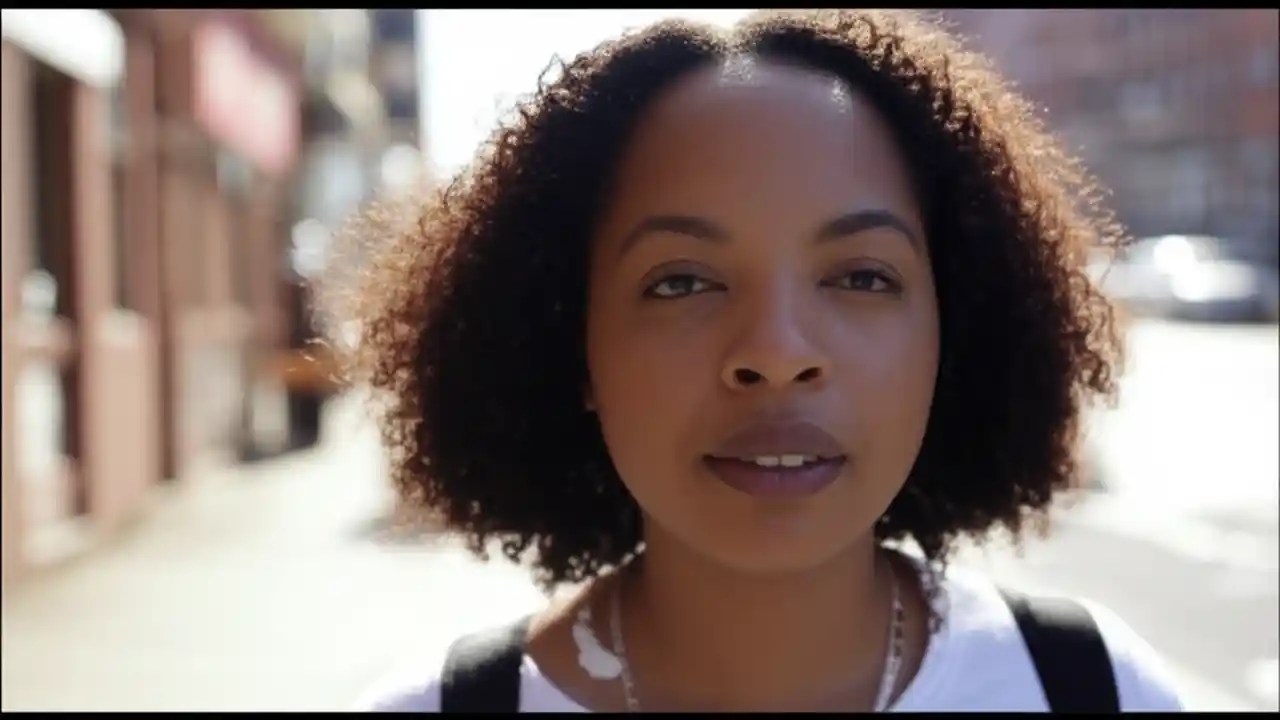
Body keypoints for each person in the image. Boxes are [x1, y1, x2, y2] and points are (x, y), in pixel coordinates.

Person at [336, 9, 1183, 712]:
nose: (776, 354)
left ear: (950, 334)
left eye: (861, 275)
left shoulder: (1097, 690)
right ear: (574, 345)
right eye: (681, 282)